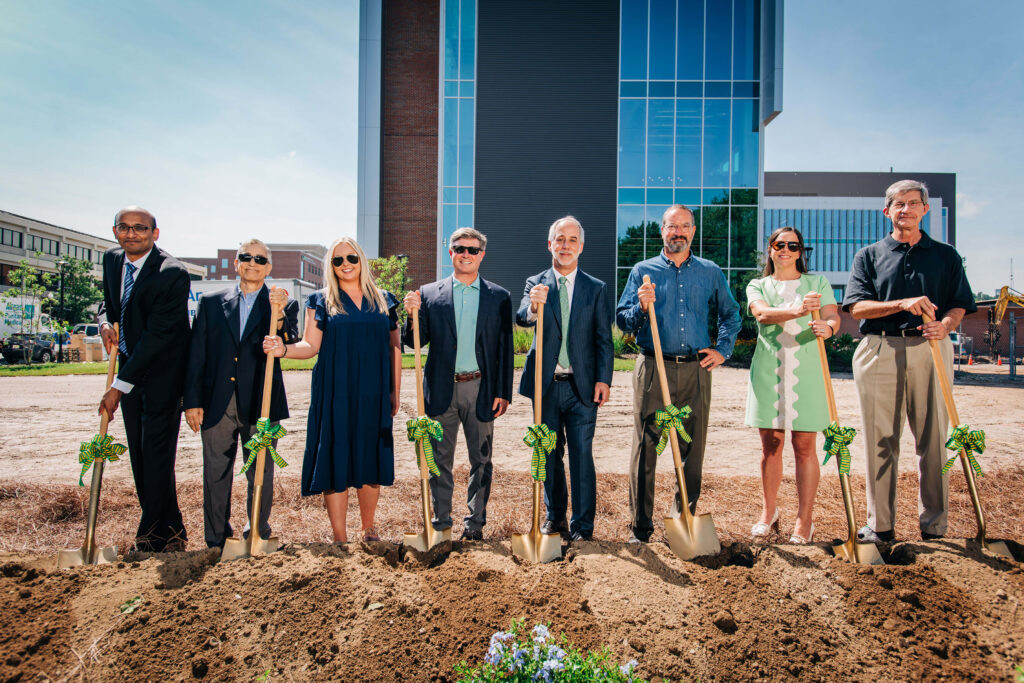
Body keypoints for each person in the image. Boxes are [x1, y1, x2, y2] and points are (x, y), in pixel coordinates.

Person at [843, 179, 977, 543]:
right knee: (880, 441)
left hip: (930, 351)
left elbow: (960, 302)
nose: (906, 210)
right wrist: (901, 303)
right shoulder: (868, 256)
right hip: (880, 349)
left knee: (933, 440)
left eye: (913, 203)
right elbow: (856, 307)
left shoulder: (946, 255)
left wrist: (947, 324)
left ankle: (934, 526)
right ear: (887, 211)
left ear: (925, 210)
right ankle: (880, 526)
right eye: (898, 204)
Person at [616, 204, 741, 544]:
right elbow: (622, 321)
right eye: (672, 226)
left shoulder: (710, 271)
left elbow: (731, 314)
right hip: (653, 367)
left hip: (696, 369)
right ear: (662, 231)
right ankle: (640, 527)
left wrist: (723, 350)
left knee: (692, 447)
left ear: (693, 231)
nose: (678, 232)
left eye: (685, 226)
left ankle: (682, 519)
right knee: (646, 445)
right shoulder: (643, 270)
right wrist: (641, 306)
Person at [264, 237, 400, 542]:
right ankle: (339, 537)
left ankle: (369, 529)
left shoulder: (385, 300)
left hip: (374, 392)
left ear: (361, 260)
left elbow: (394, 348)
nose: (345, 265)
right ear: (330, 266)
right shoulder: (321, 300)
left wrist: (394, 393)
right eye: (337, 261)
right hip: (334, 391)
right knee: (336, 456)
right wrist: (282, 349)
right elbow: (311, 346)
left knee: (370, 457)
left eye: (351, 258)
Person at [184, 239, 299, 549]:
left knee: (260, 470)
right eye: (245, 257)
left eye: (260, 259)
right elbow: (196, 356)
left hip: (261, 403)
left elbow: (291, 339)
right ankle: (216, 538)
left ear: (269, 268)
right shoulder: (211, 303)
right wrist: (192, 402)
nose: (252, 263)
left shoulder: (280, 304)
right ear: (235, 263)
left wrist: (278, 314)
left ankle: (256, 532)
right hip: (217, 403)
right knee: (215, 473)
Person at [403, 227, 513, 541]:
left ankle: (475, 524)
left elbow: (505, 350)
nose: (466, 254)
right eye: (460, 248)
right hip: (440, 390)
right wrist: (411, 315)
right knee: (439, 460)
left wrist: (503, 392)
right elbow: (416, 342)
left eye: (472, 250)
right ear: (450, 252)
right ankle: (441, 523)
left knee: (481, 460)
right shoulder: (428, 294)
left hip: (481, 389)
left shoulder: (499, 297)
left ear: (482, 255)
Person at [98, 206, 191, 552]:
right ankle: (172, 530)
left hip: (163, 375)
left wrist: (118, 387)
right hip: (129, 369)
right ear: (114, 230)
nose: (131, 234)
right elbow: (110, 303)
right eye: (124, 228)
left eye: (140, 228)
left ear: (155, 233)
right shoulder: (111, 260)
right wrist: (104, 323)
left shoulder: (173, 274)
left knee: (156, 453)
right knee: (141, 454)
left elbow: (157, 336)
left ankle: (150, 535)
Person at [515, 216, 614, 541]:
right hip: (546, 387)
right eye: (560, 239)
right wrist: (533, 306)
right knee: (548, 453)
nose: (566, 245)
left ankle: (583, 527)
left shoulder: (596, 288)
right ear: (550, 245)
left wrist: (604, 379)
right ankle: (554, 518)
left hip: (582, 387)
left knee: (582, 456)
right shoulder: (536, 283)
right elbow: (522, 318)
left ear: (581, 246)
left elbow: (603, 339)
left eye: (572, 240)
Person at [745, 227, 839, 544]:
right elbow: (761, 314)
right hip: (769, 369)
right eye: (779, 244)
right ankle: (769, 513)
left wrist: (828, 326)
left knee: (804, 445)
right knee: (771, 444)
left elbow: (832, 316)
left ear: (801, 251)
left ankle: (804, 520)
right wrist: (796, 310)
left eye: (792, 245)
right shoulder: (758, 285)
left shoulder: (818, 284)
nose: (785, 249)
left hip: (809, 371)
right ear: (770, 250)